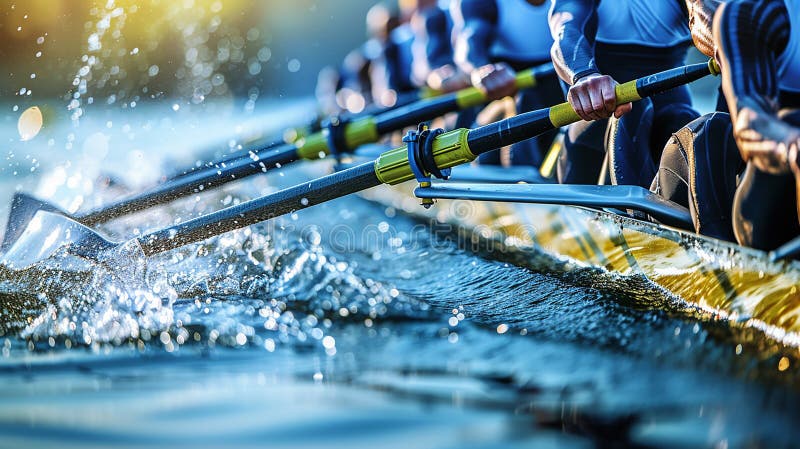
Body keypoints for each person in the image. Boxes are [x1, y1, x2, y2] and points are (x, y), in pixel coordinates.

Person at [652, 0, 800, 249]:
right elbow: (751, 125)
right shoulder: (753, 12)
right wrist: (790, 145)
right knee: (711, 129)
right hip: (765, 212)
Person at [549, 0, 699, 186]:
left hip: (670, 117)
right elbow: (566, 34)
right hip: (594, 129)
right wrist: (584, 75)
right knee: (632, 107)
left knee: (695, 124)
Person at [451, 0, 562, 167]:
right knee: (524, 102)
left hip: (562, 80)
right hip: (505, 86)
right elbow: (470, 39)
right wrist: (480, 69)